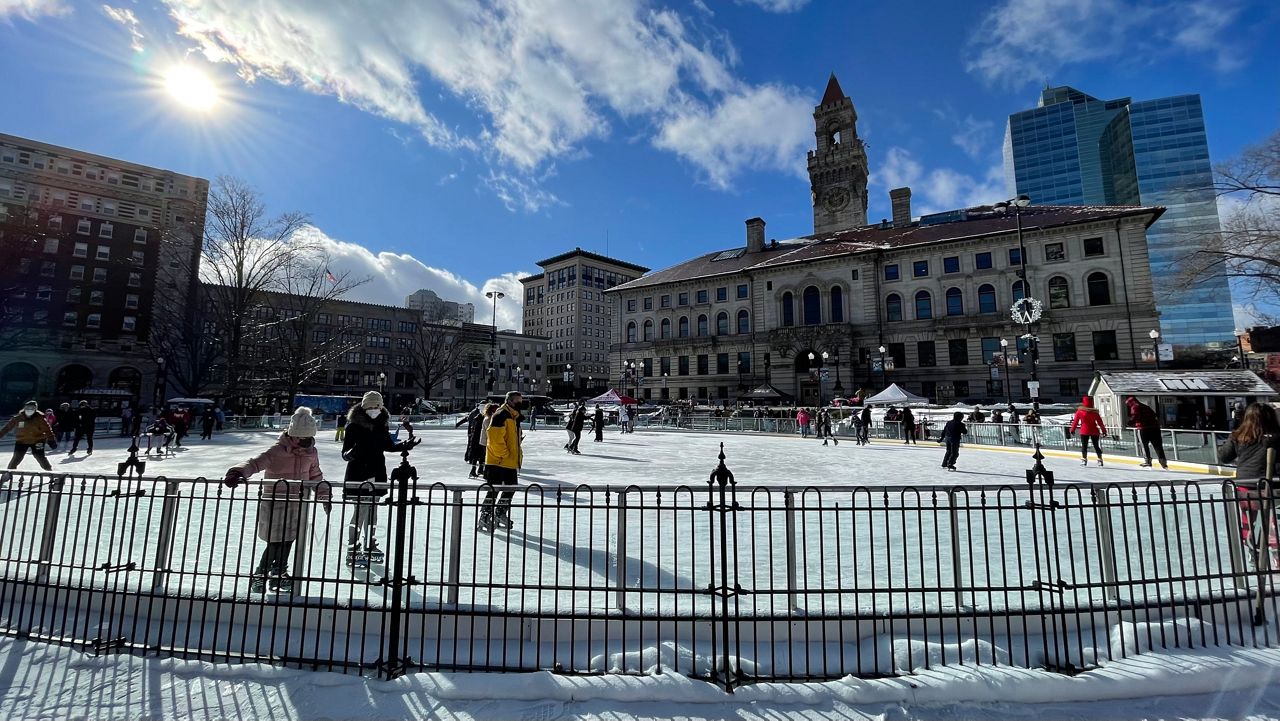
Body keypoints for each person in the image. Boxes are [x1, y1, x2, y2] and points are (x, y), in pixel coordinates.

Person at [223, 407, 330, 594]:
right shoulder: (277, 451)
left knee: (288, 540)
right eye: (301, 438)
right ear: (292, 434)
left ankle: (279, 573)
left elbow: (315, 476)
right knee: (275, 541)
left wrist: (324, 496)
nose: (305, 442)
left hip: (297, 503)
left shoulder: (311, 453)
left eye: (308, 438)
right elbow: (255, 462)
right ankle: (260, 574)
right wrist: (238, 471)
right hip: (275, 502)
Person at [341, 391, 420, 565]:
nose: (375, 409)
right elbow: (345, 454)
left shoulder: (381, 425)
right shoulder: (353, 426)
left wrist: (405, 445)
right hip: (358, 473)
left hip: (376, 472)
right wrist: (353, 452)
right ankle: (353, 547)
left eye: (377, 406)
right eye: (371, 406)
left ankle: (370, 544)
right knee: (360, 512)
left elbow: (388, 446)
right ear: (364, 407)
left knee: (373, 512)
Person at [1217, 403, 1280, 569]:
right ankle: (1276, 554)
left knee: (1251, 522)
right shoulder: (1276, 436)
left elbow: (1224, 457)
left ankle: (1255, 556)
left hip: (1246, 485)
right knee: (1274, 521)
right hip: (1272, 486)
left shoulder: (1239, 436)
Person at [478, 391, 524, 533]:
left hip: (507, 461)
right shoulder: (501, 415)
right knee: (494, 490)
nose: (520, 403)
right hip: (498, 461)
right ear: (510, 401)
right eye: (518, 400)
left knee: (510, 488)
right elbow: (495, 439)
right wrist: (504, 454)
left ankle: (499, 513)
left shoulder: (512, 416)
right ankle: (485, 517)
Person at [1, 400, 56, 477]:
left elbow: (47, 429)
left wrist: (51, 439)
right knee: (17, 457)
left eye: (32, 408)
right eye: (28, 407)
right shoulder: (18, 418)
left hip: (38, 441)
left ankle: (50, 473)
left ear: (35, 409)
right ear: (24, 408)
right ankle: (8, 474)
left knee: (40, 457)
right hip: (22, 441)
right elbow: (6, 428)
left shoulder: (40, 418)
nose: (29, 410)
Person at [1126, 395, 1167, 469]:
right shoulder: (1145, 406)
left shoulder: (1135, 407)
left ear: (1130, 403)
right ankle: (1163, 462)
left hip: (1143, 428)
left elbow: (1135, 416)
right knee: (1158, 445)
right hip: (1155, 428)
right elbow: (1154, 415)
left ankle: (1147, 461)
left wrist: (1129, 423)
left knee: (1144, 445)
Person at [1068, 395, 1108, 466]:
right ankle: (1100, 459)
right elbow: (1100, 422)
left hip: (1084, 431)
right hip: (1094, 431)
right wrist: (1104, 431)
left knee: (1084, 446)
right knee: (1096, 446)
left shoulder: (1080, 411)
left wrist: (1072, 430)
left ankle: (1084, 459)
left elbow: (1075, 421)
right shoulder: (1095, 412)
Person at [457, 406, 485, 478]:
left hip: (476, 437)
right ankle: (472, 464)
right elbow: (468, 420)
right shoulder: (479, 417)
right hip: (476, 437)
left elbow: (467, 419)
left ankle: (479, 469)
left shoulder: (477, 415)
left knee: (480, 454)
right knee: (477, 453)